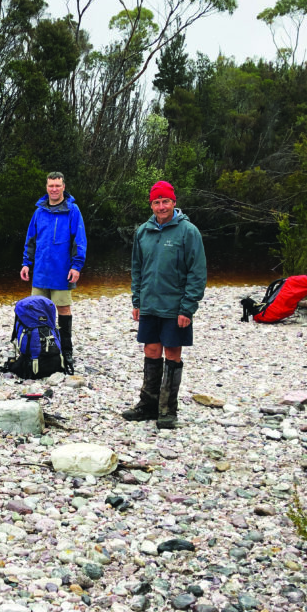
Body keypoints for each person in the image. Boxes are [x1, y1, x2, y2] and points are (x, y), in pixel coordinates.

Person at [122, 180, 206, 429]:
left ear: (174, 202)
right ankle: (148, 405)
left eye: (165, 201)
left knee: (172, 352)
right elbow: (137, 268)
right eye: (157, 202)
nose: (161, 207)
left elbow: (197, 272)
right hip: (149, 304)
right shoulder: (143, 232)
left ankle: (168, 410)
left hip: (176, 306)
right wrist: (136, 299)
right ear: (152, 204)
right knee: (150, 350)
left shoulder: (188, 232)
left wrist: (188, 307)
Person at [20, 172, 87, 373]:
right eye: (51, 186)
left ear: (63, 187)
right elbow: (31, 239)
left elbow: (80, 240)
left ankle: (66, 352)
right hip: (40, 272)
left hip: (62, 273)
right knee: (35, 311)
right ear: (46, 187)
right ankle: (38, 350)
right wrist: (26, 263)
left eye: (58, 185)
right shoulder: (39, 212)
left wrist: (76, 266)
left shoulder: (73, 211)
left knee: (63, 311)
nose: (54, 189)